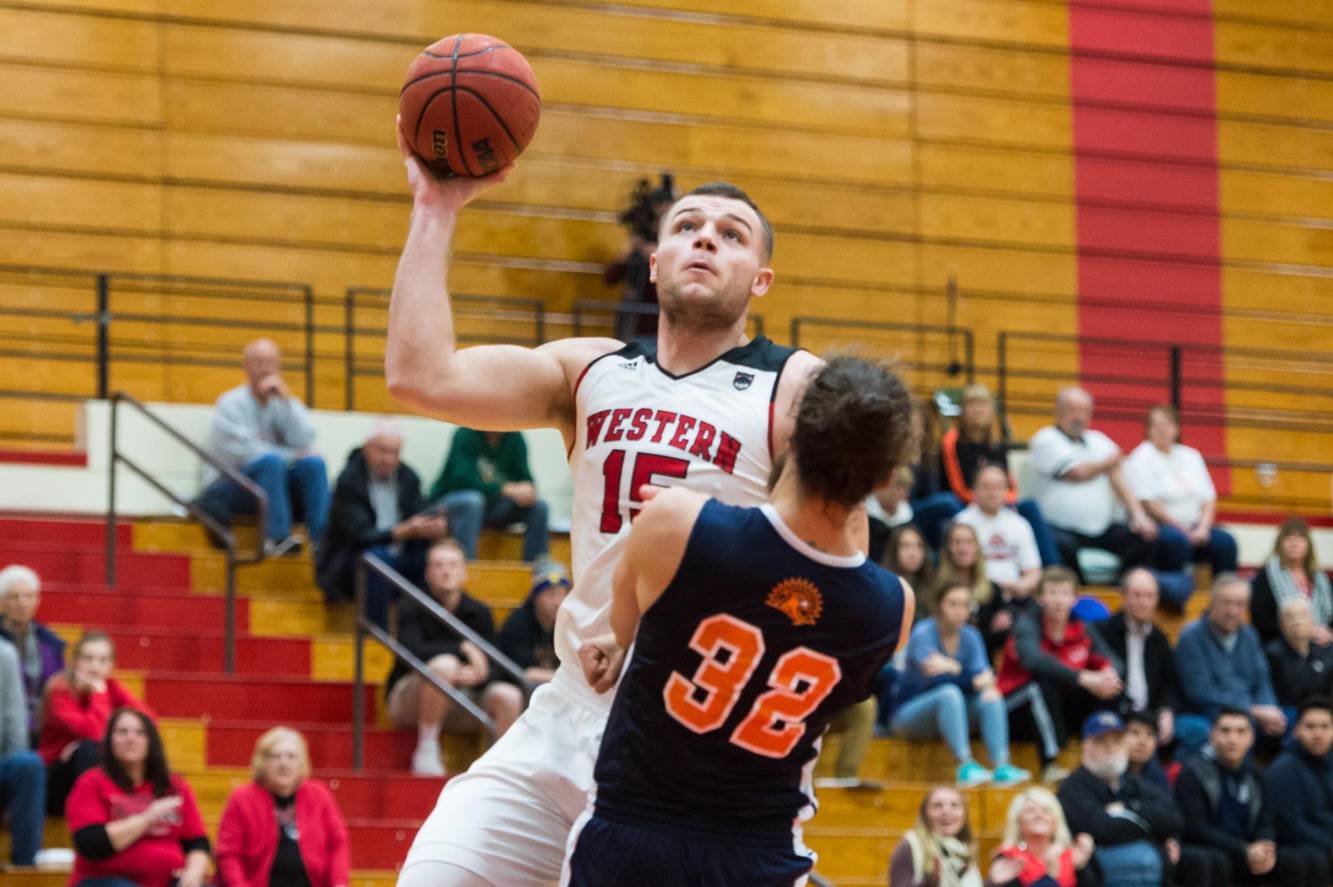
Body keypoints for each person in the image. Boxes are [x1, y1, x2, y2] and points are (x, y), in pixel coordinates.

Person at [387, 108, 822, 886]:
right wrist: (435, 206)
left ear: (760, 280)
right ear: (652, 261)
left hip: (701, 743)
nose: (705, 239)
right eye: (687, 226)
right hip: (571, 711)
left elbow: (837, 570)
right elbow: (422, 375)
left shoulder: (794, 386)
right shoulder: (587, 370)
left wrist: (708, 541)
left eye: (730, 233)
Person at [561, 356, 914, 885]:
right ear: (887, 475)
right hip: (762, 855)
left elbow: (627, 633)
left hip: (633, 833)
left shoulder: (678, 520)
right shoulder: (893, 607)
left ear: (791, 434)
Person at [386, 539, 525, 777]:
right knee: (444, 665)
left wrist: (479, 675)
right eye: (438, 565)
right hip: (412, 699)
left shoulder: (480, 612)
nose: (445, 571)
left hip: (463, 697)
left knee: (509, 695)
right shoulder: (410, 604)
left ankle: (500, 770)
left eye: (452, 565)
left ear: (464, 573)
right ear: (428, 573)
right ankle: (426, 749)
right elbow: (411, 652)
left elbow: (496, 666)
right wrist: (462, 649)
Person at [891, 580, 1030, 788]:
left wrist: (953, 667)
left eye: (964, 605)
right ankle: (964, 765)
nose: (959, 611)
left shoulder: (971, 635)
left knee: (991, 698)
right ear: (939, 606)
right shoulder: (923, 632)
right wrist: (968, 677)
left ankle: (1001, 766)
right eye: (953, 604)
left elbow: (986, 679)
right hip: (909, 714)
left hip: (953, 714)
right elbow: (935, 681)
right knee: (948, 692)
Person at [197, 337, 329, 555]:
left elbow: (306, 440)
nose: (265, 369)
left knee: (314, 464)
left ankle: (322, 542)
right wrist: (293, 454)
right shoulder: (230, 403)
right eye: (258, 362)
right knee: (271, 462)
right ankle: (276, 539)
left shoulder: (283, 401)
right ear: (245, 367)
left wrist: (287, 402)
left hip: (272, 490)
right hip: (231, 487)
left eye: (270, 363)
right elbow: (245, 453)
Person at [315, 420, 447, 627]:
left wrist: (434, 526)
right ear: (366, 448)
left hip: (400, 557)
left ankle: (429, 632)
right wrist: (403, 531)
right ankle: (376, 635)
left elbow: (419, 513)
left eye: (395, 453)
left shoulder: (408, 476)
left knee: (434, 557)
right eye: (382, 451)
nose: (389, 459)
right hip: (354, 564)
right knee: (377, 558)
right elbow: (358, 536)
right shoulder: (349, 479)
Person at [1175, 707, 1327, 887]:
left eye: (1241, 731)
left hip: (1248, 850)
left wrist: (1265, 845)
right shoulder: (1193, 772)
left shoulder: (1256, 775)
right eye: (1225, 731)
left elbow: (1267, 818)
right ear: (1212, 734)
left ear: (1251, 737)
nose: (1233, 739)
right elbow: (1196, 828)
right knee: (1215, 861)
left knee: (1308, 858)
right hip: (1217, 848)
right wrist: (1244, 849)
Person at [998, 567, 1123, 783]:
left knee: (1109, 690)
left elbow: (1114, 661)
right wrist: (1083, 677)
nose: (1058, 600)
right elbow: (1033, 660)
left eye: (1065, 593)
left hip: (1059, 707)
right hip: (1015, 706)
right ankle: (1050, 764)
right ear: (1040, 597)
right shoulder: (1027, 624)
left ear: (1075, 599)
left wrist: (1109, 675)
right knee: (1040, 686)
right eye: (1052, 592)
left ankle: (1107, 759)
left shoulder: (1082, 628)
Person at [66, 707, 210, 887]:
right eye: (122, 732)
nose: (130, 738)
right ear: (110, 740)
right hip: (104, 881)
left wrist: (194, 872)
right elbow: (91, 844)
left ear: (151, 742)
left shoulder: (174, 786)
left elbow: (197, 842)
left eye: (140, 732)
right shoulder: (91, 783)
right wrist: (147, 818)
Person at [1026, 387, 1157, 580]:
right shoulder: (1045, 439)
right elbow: (1076, 472)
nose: (1079, 417)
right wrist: (1107, 463)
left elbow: (1117, 476)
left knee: (1143, 539)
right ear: (1058, 411)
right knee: (1062, 545)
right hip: (1060, 528)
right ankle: (1077, 597)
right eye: (1072, 410)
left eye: (1084, 412)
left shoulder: (1099, 440)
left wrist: (1138, 515)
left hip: (1101, 529)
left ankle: (1120, 593)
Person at [1056, 711, 1188, 887]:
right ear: (1086, 746)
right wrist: (1152, 827)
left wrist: (1127, 809)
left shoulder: (1133, 781)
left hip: (1153, 872)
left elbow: (1174, 818)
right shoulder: (1072, 787)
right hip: (1105, 876)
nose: (1110, 747)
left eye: (1117, 741)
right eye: (1101, 741)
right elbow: (1101, 828)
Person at [939, 384, 1060, 566]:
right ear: (962, 411)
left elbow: (1009, 484)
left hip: (994, 499)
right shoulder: (951, 441)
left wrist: (1003, 499)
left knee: (1030, 507)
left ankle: (1052, 570)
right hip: (961, 501)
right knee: (948, 504)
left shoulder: (997, 444)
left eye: (983, 405)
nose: (978, 410)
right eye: (972, 405)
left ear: (992, 411)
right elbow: (956, 484)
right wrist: (986, 498)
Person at [216, 726, 351, 887]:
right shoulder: (242, 799)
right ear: (262, 762)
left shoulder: (319, 795)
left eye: (291, 756)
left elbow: (338, 843)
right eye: (276, 756)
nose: (284, 764)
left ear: (301, 763)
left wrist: (339, 883)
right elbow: (229, 855)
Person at [39, 631, 153, 815]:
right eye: (88, 658)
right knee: (89, 749)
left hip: (91, 772)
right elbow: (95, 732)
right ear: (75, 661)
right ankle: (94, 819)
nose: (94, 666)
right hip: (53, 782)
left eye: (102, 660)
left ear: (111, 664)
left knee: (133, 742)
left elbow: (148, 721)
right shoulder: (60, 690)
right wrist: (99, 694)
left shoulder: (112, 686)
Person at [1124, 405, 1237, 584]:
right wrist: (1184, 531)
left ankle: (1226, 594)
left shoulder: (1191, 456)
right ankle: (1174, 597)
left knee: (1225, 541)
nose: (1162, 430)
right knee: (1176, 541)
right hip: (1161, 528)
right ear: (1148, 430)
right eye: (1156, 425)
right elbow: (1151, 506)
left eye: (1167, 424)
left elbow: (1208, 499)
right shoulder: (1141, 457)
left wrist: (1203, 528)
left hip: (1195, 527)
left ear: (1176, 428)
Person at [1174, 574, 1285, 754]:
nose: (1232, 611)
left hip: (1250, 715)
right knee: (1233, 733)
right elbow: (1201, 693)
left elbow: (1262, 680)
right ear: (1212, 603)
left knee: (1295, 724)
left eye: (1240, 604)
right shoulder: (1191, 637)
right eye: (1226, 603)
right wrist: (1255, 711)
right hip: (1207, 715)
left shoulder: (1250, 635)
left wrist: (1270, 709)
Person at [427, 428, 549, 563]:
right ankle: (467, 567)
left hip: (491, 507)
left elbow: (525, 477)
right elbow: (462, 479)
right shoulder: (465, 433)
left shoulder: (515, 437)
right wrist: (505, 488)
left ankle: (539, 570)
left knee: (539, 506)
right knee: (472, 501)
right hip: (453, 503)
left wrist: (528, 491)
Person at [1093, 568, 1179, 747]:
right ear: (1123, 596)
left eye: (1149, 596)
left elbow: (1169, 684)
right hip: (1114, 712)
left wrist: (1166, 711)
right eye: (1137, 595)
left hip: (1149, 716)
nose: (1143, 602)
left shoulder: (1159, 638)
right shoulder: (1103, 631)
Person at [1262, 696, 1333, 877]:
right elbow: (1292, 827)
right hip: (1296, 847)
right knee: (1313, 859)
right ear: (1296, 730)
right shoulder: (1284, 769)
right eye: (1310, 727)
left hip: (1322, 841)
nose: (1318, 734)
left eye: (1325, 727)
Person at [0, 563, 65, 744]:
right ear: (1, 603)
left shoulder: (51, 643)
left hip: (42, 723)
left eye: (29, 596)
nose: (22, 603)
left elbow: (58, 687)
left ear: (37, 601)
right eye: (15, 597)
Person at [1249, 517, 1332, 646]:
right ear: (1279, 543)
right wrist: (1302, 632)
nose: (1294, 543)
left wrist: (1329, 634)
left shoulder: (1321, 578)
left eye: (1300, 538)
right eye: (1288, 537)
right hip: (1281, 644)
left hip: (1322, 643)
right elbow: (1261, 620)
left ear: (1308, 544)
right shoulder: (1266, 575)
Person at [888, 786, 994, 887]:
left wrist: (994, 882)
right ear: (925, 814)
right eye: (937, 805)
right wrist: (929, 881)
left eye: (954, 805)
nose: (946, 811)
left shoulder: (964, 849)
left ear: (964, 814)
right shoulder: (910, 845)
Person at [991, 786, 1096, 887]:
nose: (1039, 815)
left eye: (1046, 810)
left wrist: (1082, 868)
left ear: (1056, 821)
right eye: (1030, 810)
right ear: (1018, 822)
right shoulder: (1008, 858)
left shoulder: (1072, 855)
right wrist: (1050, 875)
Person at [0, 636, 45, 865]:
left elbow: (15, 719)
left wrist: (11, 797)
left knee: (29, 764)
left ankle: (25, 867)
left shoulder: (4, 654)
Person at [497, 565, 570, 687]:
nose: (557, 602)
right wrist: (567, 680)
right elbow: (524, 672)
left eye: (562, 594)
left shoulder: (569, 623)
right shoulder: (518, 623)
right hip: (516, 686)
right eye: (551, 595)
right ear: (535, 597)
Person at [906, 400, 964, 550]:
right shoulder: (897, 454)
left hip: (920, 511)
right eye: (911, 424)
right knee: (948, 502)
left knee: (942, 527)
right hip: (902, 509)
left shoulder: (928, 455)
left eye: (919, 424)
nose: (915, 429)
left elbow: (932, 492)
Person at [1265, 597, 1333, 716]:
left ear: (1313, 621)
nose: (1297, 621)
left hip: (1323, 713)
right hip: (1288, 713)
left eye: (1303, 615)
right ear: (1281, 624)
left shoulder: (1325, 651)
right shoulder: (1273, 654)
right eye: (1290, 617)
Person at [937, 521, 1001, 619]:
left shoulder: (993, 590)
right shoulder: (936, 586)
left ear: (977, 547)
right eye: (957, 542)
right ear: (948, 548)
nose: (963, 549)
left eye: (969, 542)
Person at [867, 466, 914, 564]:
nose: (900, 493)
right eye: (896, 487)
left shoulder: (906, 517)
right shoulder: (864, 515)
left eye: (905, 489)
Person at [1123, 710, 1171, 792]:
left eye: (1150, 734)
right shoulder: (1110, 774)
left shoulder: (1158, 776)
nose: (1142, 741)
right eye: (1135, 733)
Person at [885, 524, 935, 592]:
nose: (913, 553)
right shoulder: (882, 585)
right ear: (894, 551)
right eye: (905, 546)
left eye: (919, 546)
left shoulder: (933, 585)